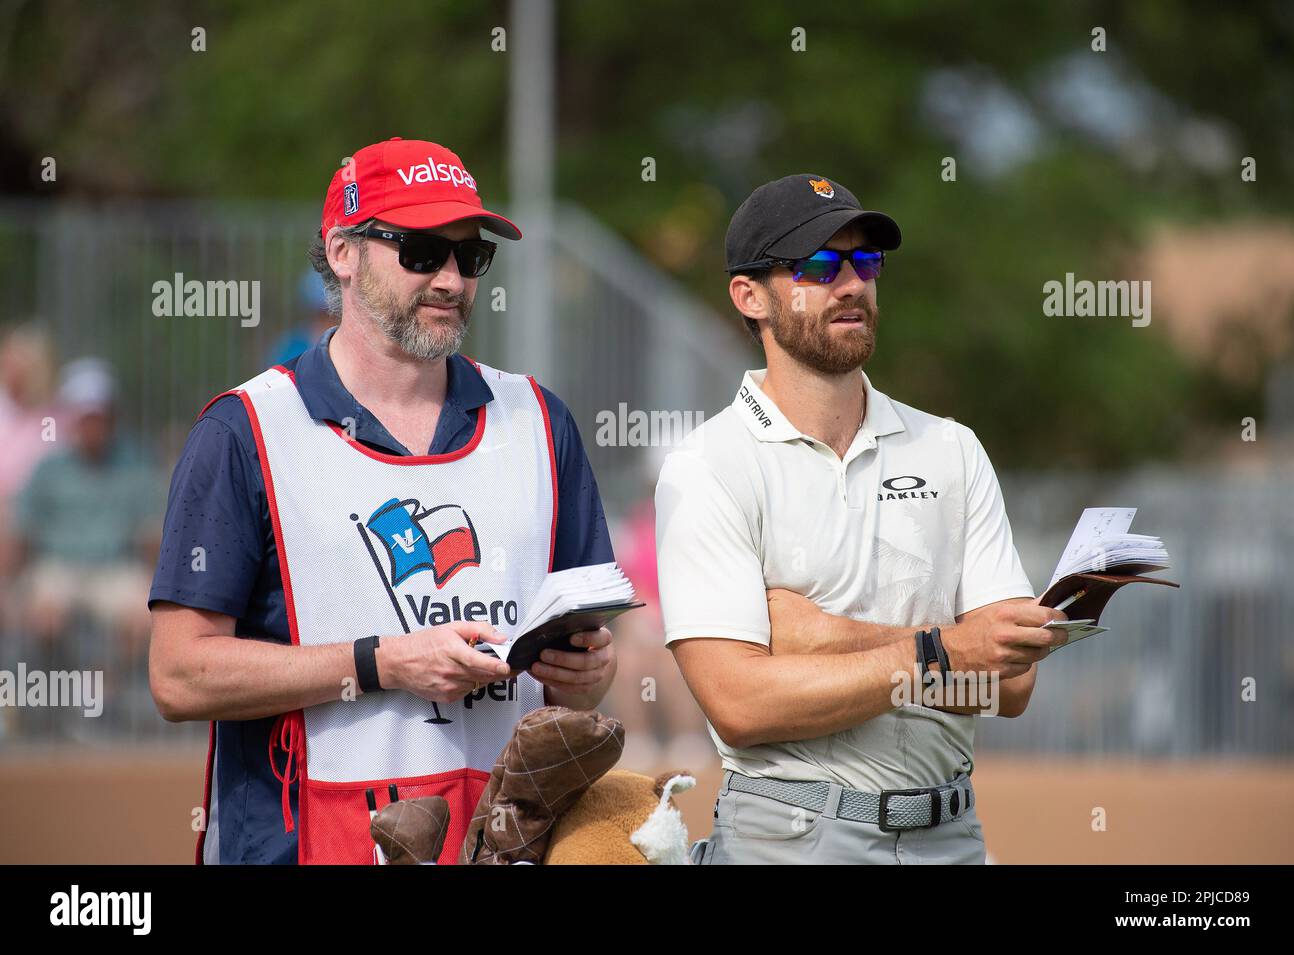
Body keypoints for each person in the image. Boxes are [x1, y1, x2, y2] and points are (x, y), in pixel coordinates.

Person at [148, 137, 616, 865]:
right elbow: (177, 673)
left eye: (470, 256)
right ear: (343, 251)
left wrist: (588, 675)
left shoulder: (540, 421)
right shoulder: (245, 431)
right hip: (296, 845)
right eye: (423, 252)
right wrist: (380, 663)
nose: (452, 279)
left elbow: (580, 670)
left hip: (499, 844)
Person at [654, 173, 1067, 864]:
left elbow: (1011, 681)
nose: (851, 283)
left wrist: (824, 637)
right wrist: (942, 650)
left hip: (954, 835)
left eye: (865, 262)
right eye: (818, 265)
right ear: (749, 296)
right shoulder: (707, 464)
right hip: (789, 838)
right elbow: (741, 703)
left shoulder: (952, 448)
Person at [11, 358, 160, 672]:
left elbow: (151, 533)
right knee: (44, 616)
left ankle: (104, 687)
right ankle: (59, 694)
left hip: (115, 568)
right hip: (58, 568)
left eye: (99, 416)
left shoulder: (136, 465)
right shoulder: (48, 468)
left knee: (146, 617)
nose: (93, 426)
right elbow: (22, 529)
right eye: (85, 417)